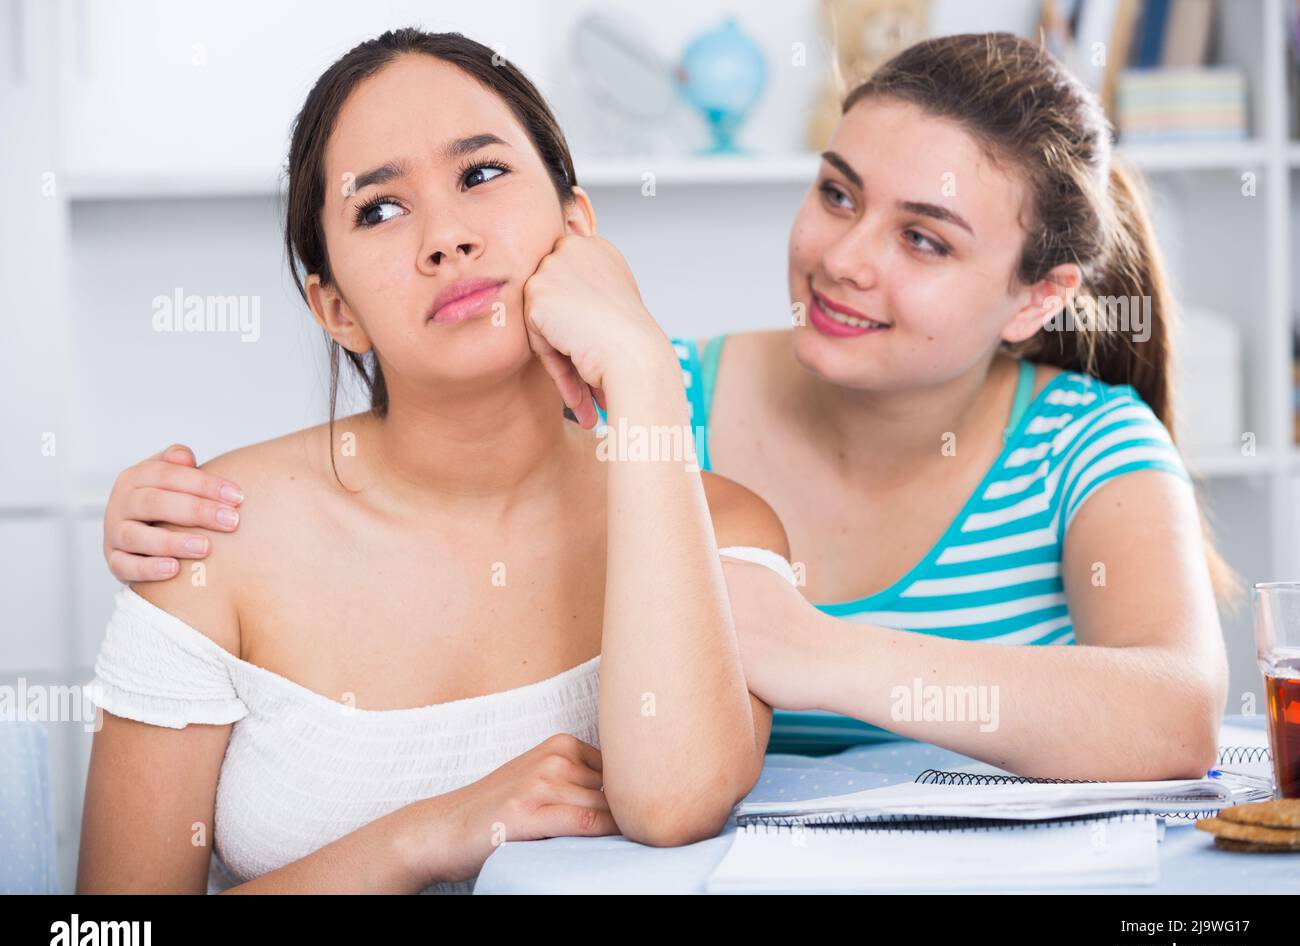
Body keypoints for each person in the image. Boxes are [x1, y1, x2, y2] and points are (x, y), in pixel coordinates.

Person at [100, 33, 1231, 782]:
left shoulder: (1083, 444)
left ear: (1037, 297)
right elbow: (439, 502)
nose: (841, 258)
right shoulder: (637, 401)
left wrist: (810, 654)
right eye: (835, 193)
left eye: (922, 238)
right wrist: (183, 525)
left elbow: (1178, 714)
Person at [77, 28, 792, 895]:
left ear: (577, 229)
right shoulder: (203, 542)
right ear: (335, 309)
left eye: (481, 175)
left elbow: (674, 803)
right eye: (380, 209)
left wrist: (642, 374)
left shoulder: (728, 536)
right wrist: (425, 835)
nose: (445, 238)